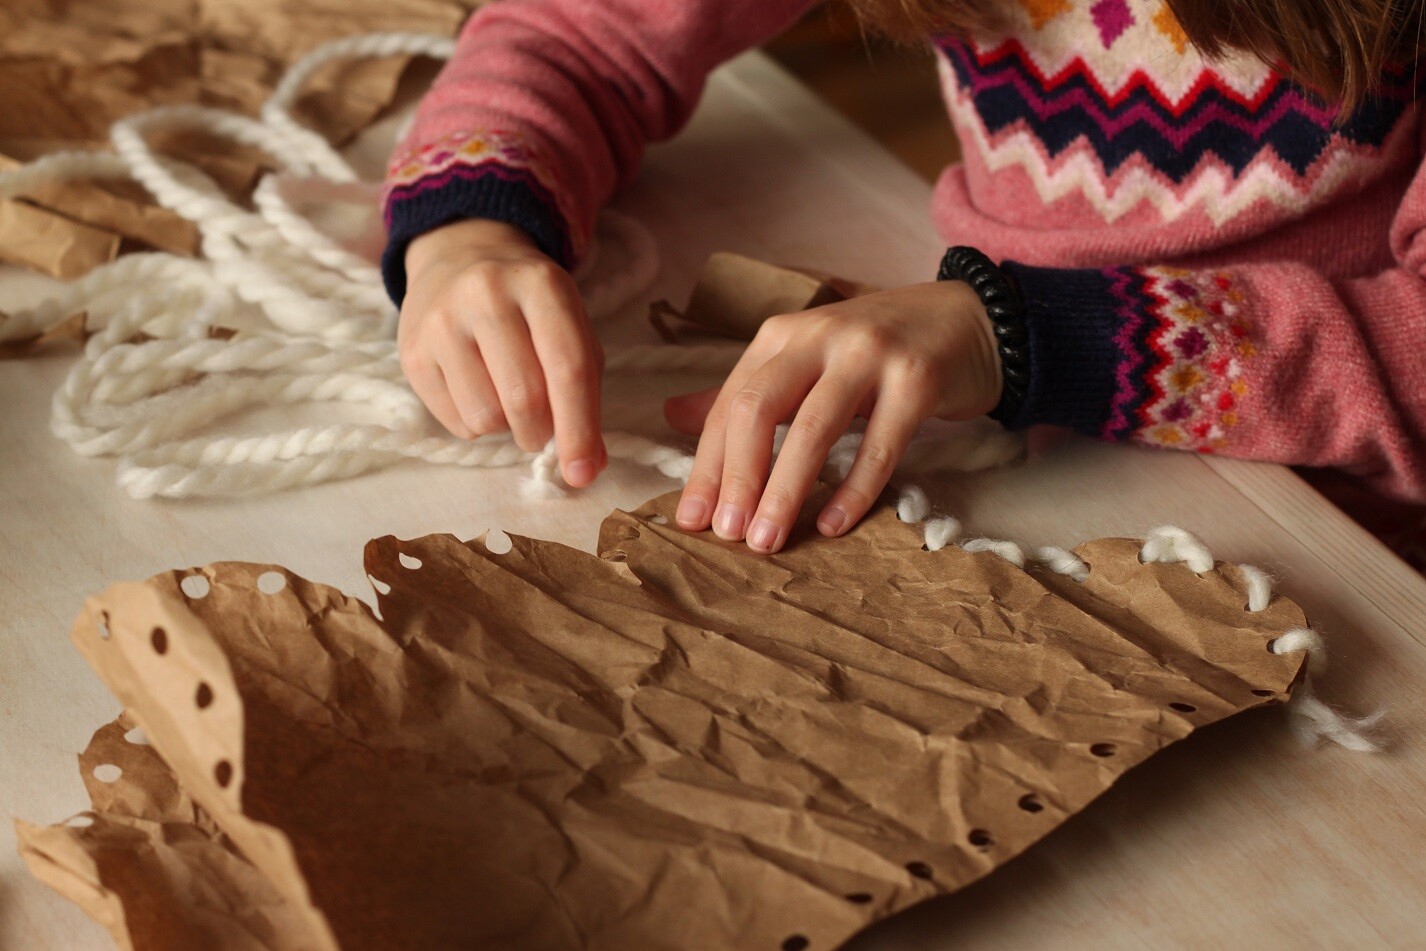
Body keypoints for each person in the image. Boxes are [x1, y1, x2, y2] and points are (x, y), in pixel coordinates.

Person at [382, 0, 1426, 555]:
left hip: (1346, 536)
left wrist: (1030, 336)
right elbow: (579, 33)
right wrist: (470, 224)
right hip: (1029, 449)